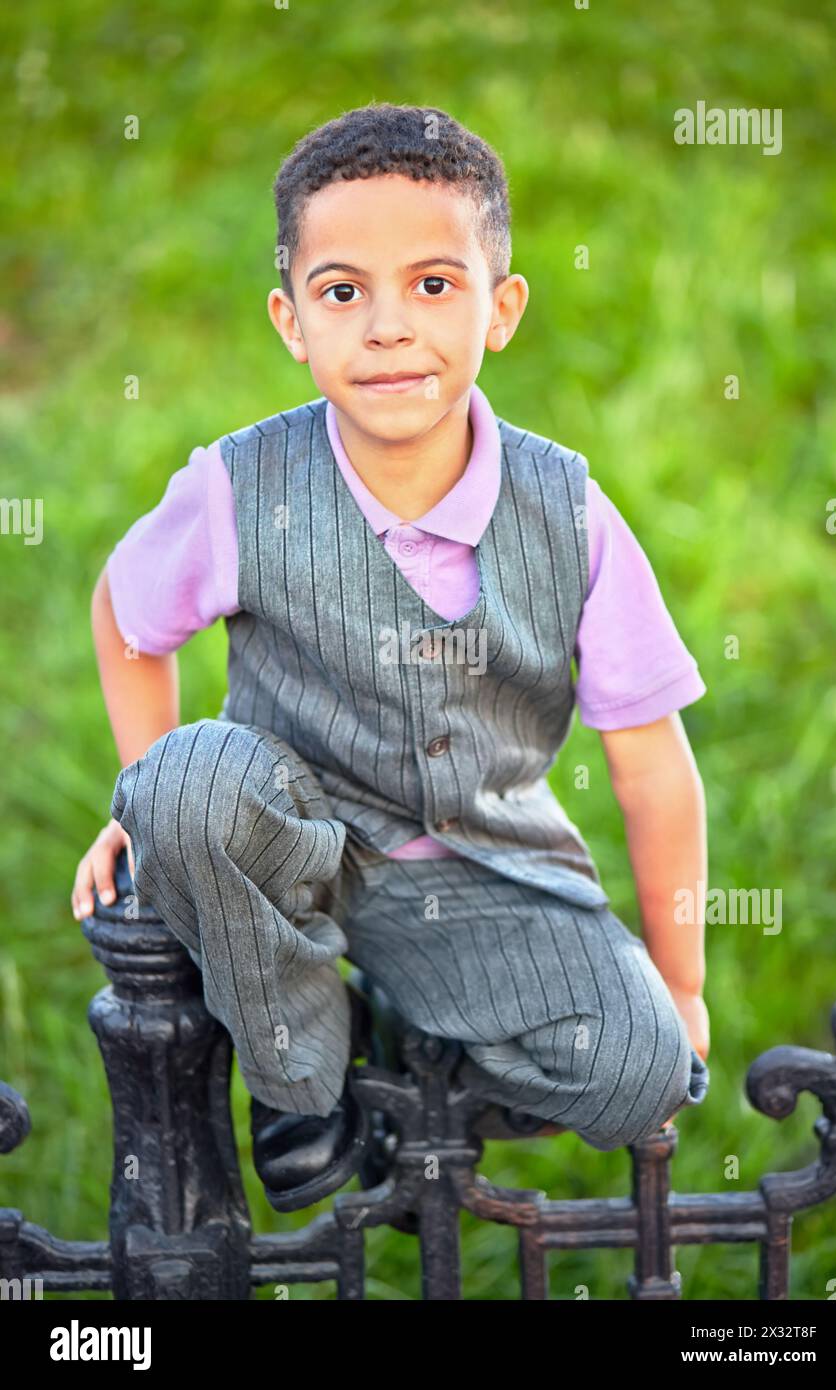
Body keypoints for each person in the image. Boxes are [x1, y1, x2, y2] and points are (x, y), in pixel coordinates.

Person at [71, 102, 710, 1213]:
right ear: (289, 320)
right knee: (179, 786)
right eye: (340, 292)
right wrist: (145, 793)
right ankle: (305, 1060)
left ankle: (412, 1028)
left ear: (499, 308)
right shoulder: (239, 487)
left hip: (480, 865)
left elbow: (651, 767)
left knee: (640, 1072)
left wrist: (684, 982)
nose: (384, 328)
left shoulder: (569, 511)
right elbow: (127, 616)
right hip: (292, 835)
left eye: (430, 284)